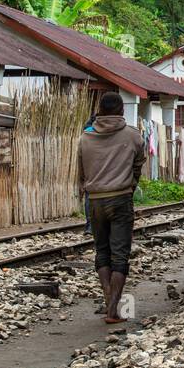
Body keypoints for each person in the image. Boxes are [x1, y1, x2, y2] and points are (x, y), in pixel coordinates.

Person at [78, 92, 146, 324]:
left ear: (99, 110)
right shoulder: (132, 135)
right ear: (121, 111)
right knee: (120, 253)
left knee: (102, 251)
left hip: (95, 200)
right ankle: (113, 309)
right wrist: (130, 183)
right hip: (120, 198)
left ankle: (108, 298)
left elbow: (81, 172)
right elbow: (138, 163)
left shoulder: (85, 138)